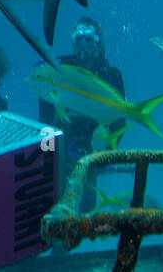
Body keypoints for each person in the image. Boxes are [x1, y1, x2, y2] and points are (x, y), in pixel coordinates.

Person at [37, 16, 125, 210]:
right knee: (54, 207)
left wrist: (107, 153)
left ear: (99, 44)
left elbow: (119, 120)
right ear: (73, 42)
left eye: (90, 39)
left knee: (84, 208)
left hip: (94, 149)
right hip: (60, 153)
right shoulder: (58, 73)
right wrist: (48, 156)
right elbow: (44, 122)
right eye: (79, 39)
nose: (83, 44)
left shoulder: (111, 76)